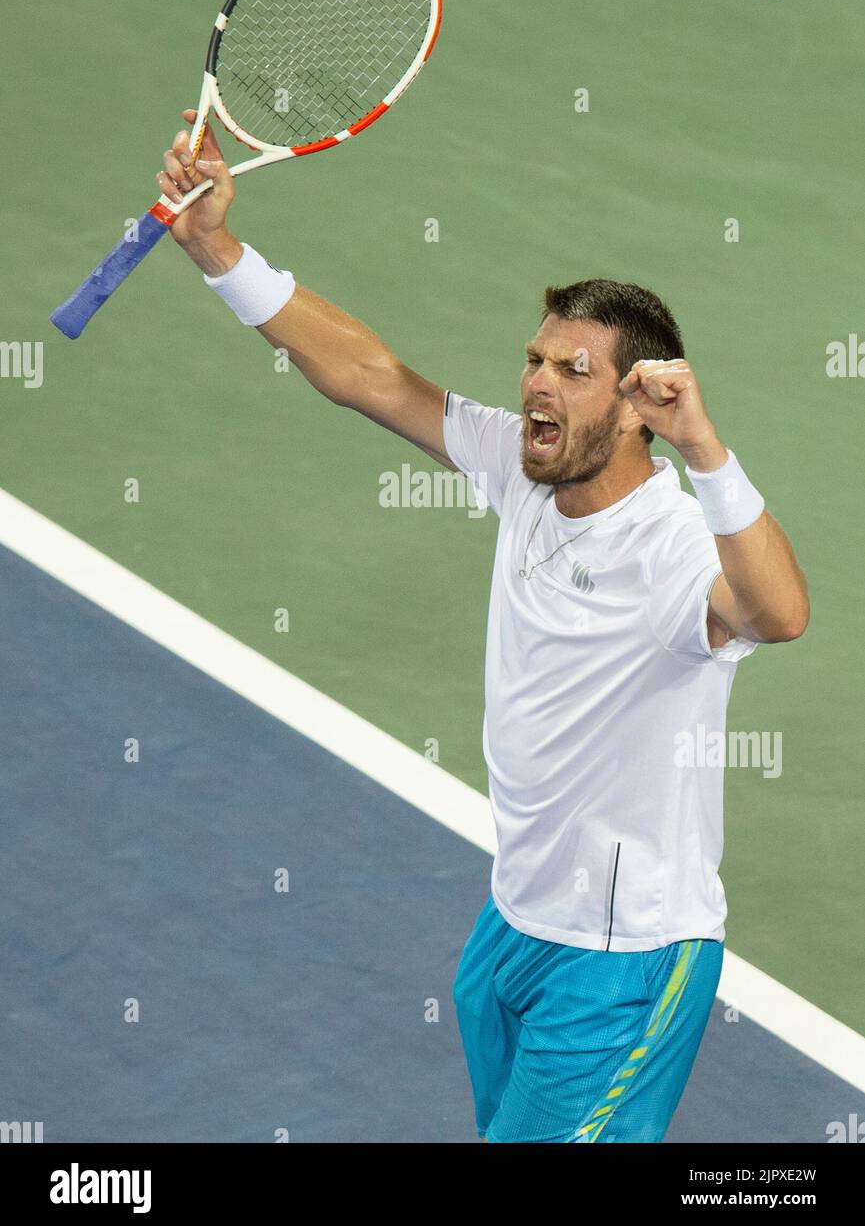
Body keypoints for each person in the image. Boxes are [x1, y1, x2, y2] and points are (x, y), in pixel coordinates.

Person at [157, 113, 810, 1143]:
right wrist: (215, 250)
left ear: (640, 403)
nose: (537, 384)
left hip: (623, 959)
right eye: (534, 359)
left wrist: (706, 448)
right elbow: (371, 377)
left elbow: (777, 614)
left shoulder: (675, 543)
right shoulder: (518, 464)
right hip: (512, 924)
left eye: (572, 370)